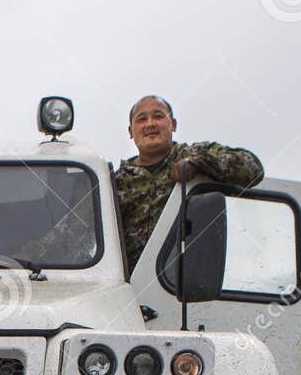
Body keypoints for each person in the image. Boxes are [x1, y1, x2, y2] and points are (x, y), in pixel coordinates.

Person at [113, 95, 263, 269]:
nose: (150, 124)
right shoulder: (115, 183)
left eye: (158, 116)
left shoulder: (194, 154)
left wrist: (200, 164)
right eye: (142, 119)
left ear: (173, 124)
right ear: (131, 132)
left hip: (182, 285)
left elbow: (253, 168)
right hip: (129, 288)